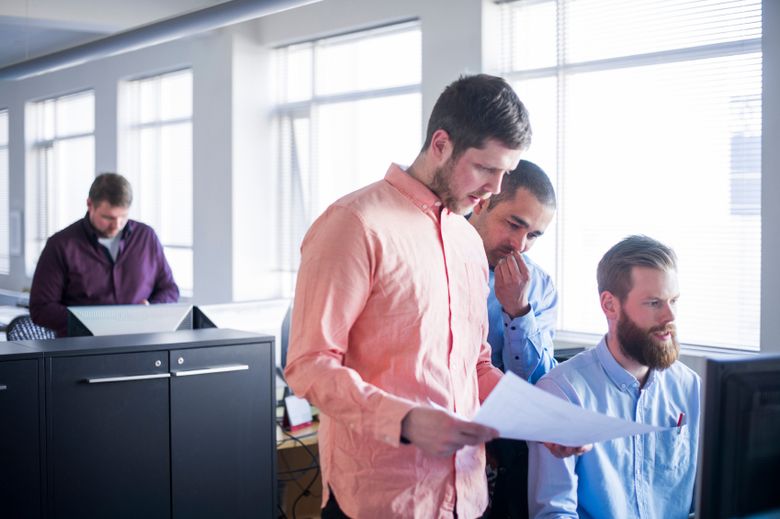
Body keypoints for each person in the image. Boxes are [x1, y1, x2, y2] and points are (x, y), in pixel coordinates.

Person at [284, 74, 531, 518]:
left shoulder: (467, 241)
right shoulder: (354, 224)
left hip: (465, 498)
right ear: (441, 143)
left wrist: (541, 421)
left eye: (505, 173)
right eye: (486, 168)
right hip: (382, 501)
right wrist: (407, 422)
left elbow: (474, 366)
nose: (495, 189)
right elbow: (308, 365)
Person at [528, 235, 701, 519]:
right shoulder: (562, 392)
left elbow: (708, 497)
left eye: (674, 301)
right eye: (654, 303)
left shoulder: (690, 387)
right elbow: (554, 513)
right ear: (610, 305)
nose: (670, 316)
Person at [468, 160, 557, 518]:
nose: (521, 245)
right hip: (442, 437)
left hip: (511, 447)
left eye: (534, 235)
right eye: (514, 225)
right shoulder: (436, 259)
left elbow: (537, 383)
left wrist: (519, 313)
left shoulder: (540, 286)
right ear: (482, 202)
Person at [30, 172, 179, 336]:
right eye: (108, 217)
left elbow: (169, 289)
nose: (116, 225)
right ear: (89, 204)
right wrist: (90, 322)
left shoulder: (146, 237)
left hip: (139, 344)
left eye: (123, 216)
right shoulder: (60, 245)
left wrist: (151, 309)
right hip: (82, 351)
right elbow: (41, 308)